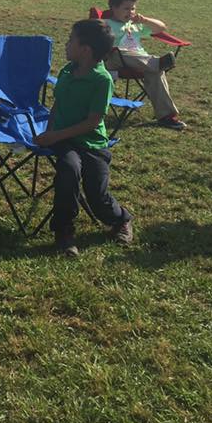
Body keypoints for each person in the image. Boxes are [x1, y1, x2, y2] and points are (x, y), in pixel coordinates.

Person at [35, 19, 133, 257]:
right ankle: (64, 232)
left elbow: (92, 121)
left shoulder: (102, 80)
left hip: (91, 141)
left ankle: (122, 219)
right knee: (69, 169)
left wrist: (56, 134)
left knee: (96, 193)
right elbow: (57, 104)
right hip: (64, 139)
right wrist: (49, 132)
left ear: (86, 50)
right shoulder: (67, 71)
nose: (66, 44)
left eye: (71, 40)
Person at [105, 0, 185, 130]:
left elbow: (161, 28)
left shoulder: (136, 25)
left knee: (155, 71)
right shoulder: (106, 24)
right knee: (122, 52)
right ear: (113, 8)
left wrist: (145, 20)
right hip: (115, 59)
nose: (130, 12)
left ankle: (166, 116)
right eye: (126, 9)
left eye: (133, 9)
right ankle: (157, 63)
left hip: (140, 61)